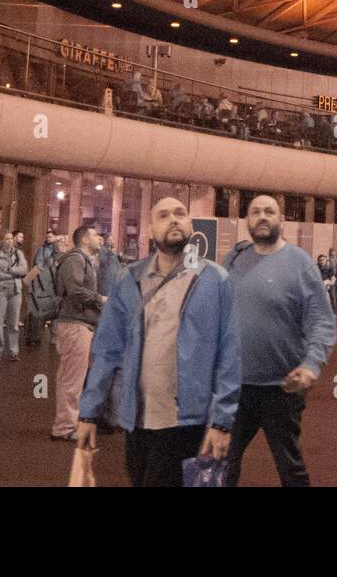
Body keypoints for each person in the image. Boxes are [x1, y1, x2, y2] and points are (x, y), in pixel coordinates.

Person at [76, 197, 240, 487]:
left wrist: (222, 421)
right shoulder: (130, 279)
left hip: (187, 421)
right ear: (151, 230)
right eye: (163, 215)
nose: (174, 219)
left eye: (180, 213)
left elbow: (230, 355)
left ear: (191, 224)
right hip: (137, 420)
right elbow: (107, 351)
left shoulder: (215, 280)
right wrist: (89, 412)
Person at [222, 195, 337, 487]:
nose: (263, 216)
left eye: (270, 212)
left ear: (281, 220)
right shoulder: (235, 259)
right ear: (246, 221)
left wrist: (312, 364)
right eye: (256, 212)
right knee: (222, 461)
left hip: (282, 389)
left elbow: (322, 321)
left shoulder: (300, 264)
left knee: (290, 468)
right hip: (236, 387)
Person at [51, 225, 106, 441]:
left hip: (81, 324)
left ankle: (69, 423)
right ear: (84, 239)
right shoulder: (75, 259)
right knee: (71, 379)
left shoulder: (84, 260)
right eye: (95, 235)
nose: (99, 238)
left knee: (73, 377)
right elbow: (74, 291)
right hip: (75, 325)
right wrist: (99, 299)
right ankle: (64, 427)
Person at [0, 230, 27, 361]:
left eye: (11, 238)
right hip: (0, 290)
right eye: (6, 239)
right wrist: (13, 274)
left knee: (14, 323)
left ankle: (13, 351)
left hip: (16, 290)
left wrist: (9, 270)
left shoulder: (19, 254)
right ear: (1, 241)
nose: (10, 241)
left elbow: (24, 270)